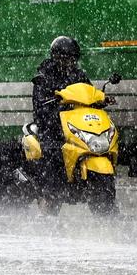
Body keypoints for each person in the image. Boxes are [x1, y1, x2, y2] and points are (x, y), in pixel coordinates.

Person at [31, 36, 90, 200]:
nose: (69, 62)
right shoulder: (44, 76)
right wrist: (55, 106)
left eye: (72, 59)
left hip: (75, 124)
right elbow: (40, 104)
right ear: (56, 57)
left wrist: (101, 98)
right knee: (52, 151)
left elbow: (88, 90)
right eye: (65, 58)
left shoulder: (78, 74)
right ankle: (50, 193)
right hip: (51, 124)